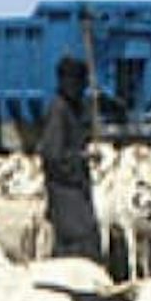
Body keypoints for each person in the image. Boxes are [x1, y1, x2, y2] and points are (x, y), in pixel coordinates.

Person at [38, 56, 102, 263]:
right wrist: (81, 157)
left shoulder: (73, 108)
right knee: (79, 241)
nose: (82, 89)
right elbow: (52, 155)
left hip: (76, 187)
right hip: (65, 190)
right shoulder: (59, 110)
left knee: (85, 237)